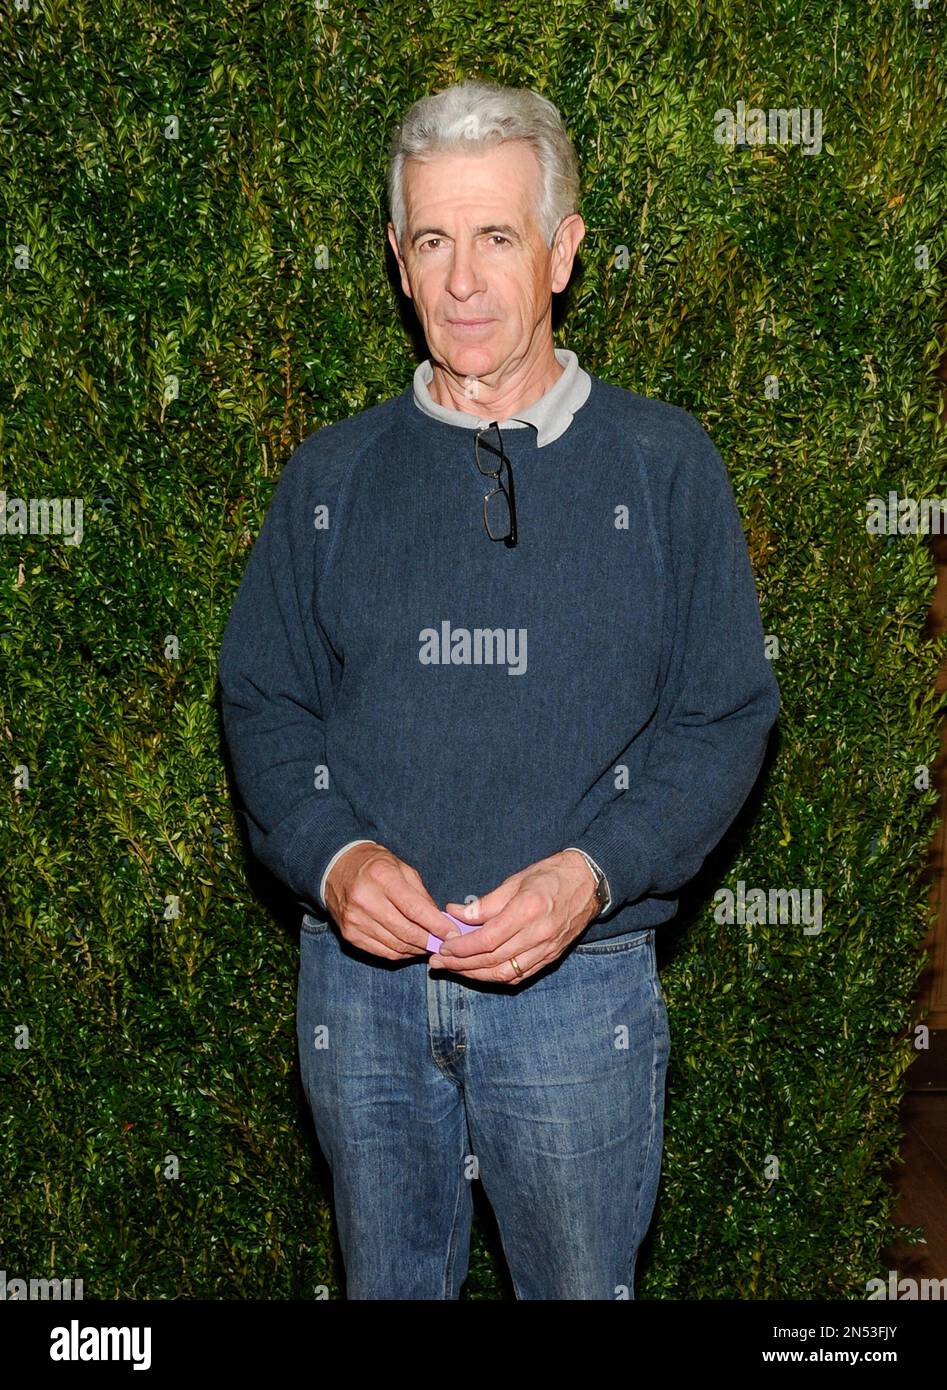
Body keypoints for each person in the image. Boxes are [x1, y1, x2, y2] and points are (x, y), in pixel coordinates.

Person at [217, 78, 781, 1300]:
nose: (462, 280)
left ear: (562, 251)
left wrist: (593, 872)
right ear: (396, 260)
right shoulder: (331, 475)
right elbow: (262, 698)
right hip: (359, 994)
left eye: (495, 236)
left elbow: (723, 710)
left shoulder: (663, 464)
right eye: (431, 239)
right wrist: (332, 858)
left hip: (582, 997)